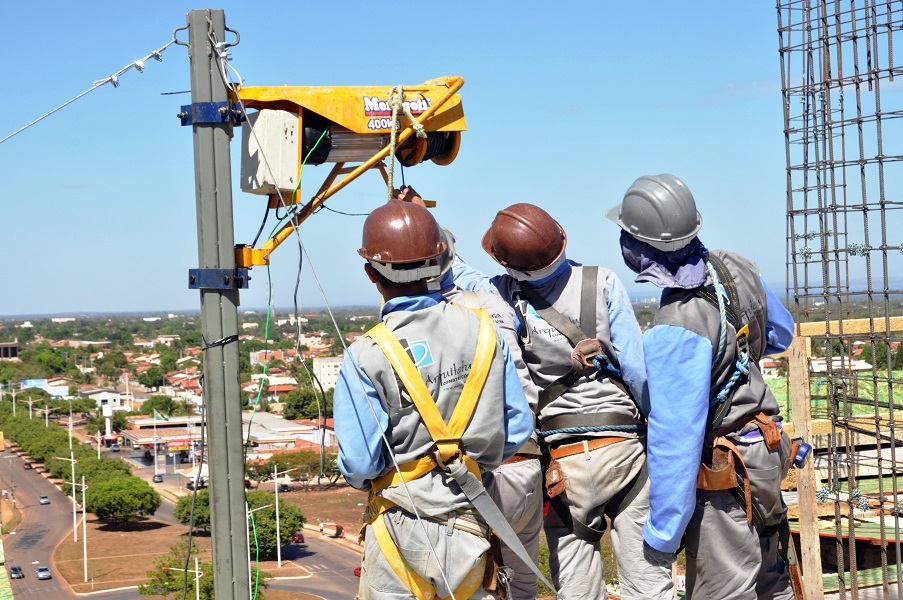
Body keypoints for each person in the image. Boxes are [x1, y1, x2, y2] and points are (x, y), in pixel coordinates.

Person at [606, 173, 796, 599]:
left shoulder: (677, 324)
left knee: (725, 589)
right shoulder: (735, 266)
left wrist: (664, 530)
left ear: (640, 246)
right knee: (771, 579)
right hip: (765, 448)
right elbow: (782, 333)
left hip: (726, 471)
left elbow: (676, 438)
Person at [333, 199, 534, 600]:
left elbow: (359, 465)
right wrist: (473, 458)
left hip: (398, 527)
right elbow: (517, 426)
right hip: (471, 518)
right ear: (441, 260)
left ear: (371, 272)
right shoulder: (483, 329)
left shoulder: (367, 354)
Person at [483, 203, 673, 599]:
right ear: (561, 238)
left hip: (564, 462)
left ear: (507, 264)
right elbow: (636, 370)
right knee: (649, 584)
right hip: (625, 451)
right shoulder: (603, 281)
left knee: (577, 588)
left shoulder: (502, 296)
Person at [394, 185, 545, 600]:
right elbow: (456, 268)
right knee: (522, 583)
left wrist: (406, 235)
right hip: (527, 465)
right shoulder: (491, 299)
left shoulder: (429, 322)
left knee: (462, 586)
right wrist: (424, 223)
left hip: (473, 473)